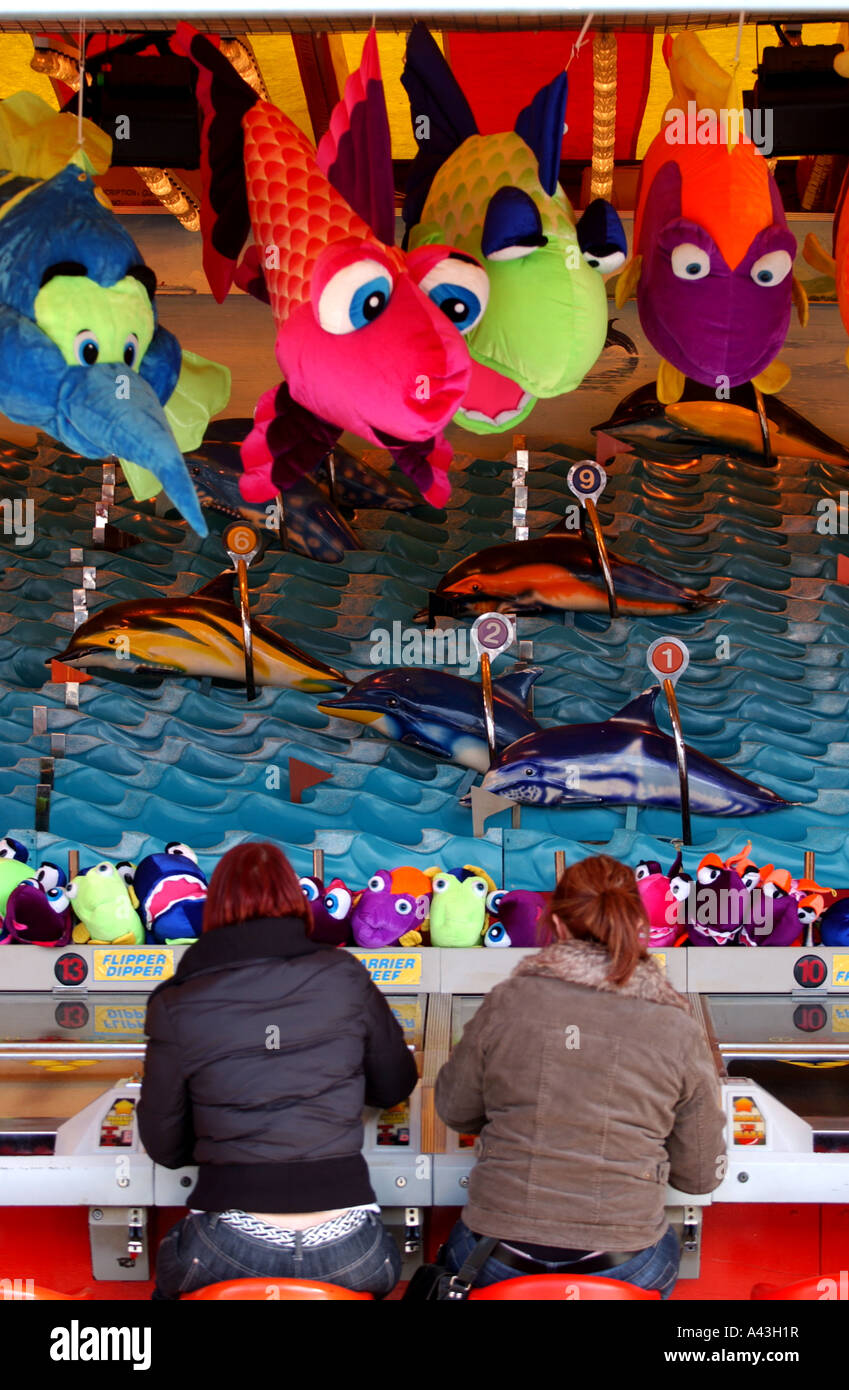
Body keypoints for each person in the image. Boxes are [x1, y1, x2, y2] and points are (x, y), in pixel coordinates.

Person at [435, 854, 726, 1296]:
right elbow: (699, 1176)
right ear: (635, 921)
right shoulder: (676, 1023)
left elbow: (455, 1110)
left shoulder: (509, 1001)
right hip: (626, 1266)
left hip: (496, 1259)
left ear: (557, 924)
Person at [138, 841, 418, 1298]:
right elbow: (395, 1085)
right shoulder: (344, 975)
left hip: (225, 1243)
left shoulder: (177, 999)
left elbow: (164, 1146)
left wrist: (224, 1138)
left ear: (215, 905)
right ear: (295, 900)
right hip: (353, 1251)